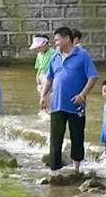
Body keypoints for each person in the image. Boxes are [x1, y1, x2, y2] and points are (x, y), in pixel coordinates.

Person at [39, 27, 99, 172]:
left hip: (76, 104)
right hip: (57, 104)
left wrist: (82, 95)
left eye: (57, 39)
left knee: (77, 135)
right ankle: (55, 169)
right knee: (55, 138)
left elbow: (93, 76)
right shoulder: (55, 57)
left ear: (67, 39)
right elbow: (49, 78)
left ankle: (76, 168)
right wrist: (43, 96)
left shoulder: (82, 55)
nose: (55, 43)